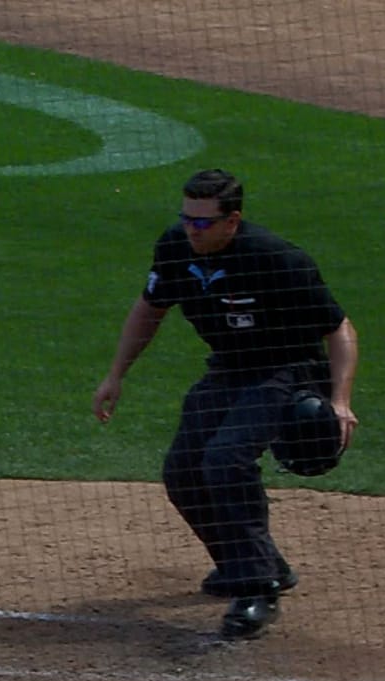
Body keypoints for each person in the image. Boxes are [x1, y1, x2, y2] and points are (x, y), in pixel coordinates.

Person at [92, 168, 359, 639]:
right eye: (187, 218)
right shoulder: (175, 246)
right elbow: (150, 308)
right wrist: (116, 375)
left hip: (287, 369)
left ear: (231, 221)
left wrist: (340, 401)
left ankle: (258, 589)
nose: (190, 230)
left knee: (226, 459)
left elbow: (339, 329)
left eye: (202, 222)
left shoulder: (275, 259)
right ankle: (250, 563)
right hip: (230, 367)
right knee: (183, 470)